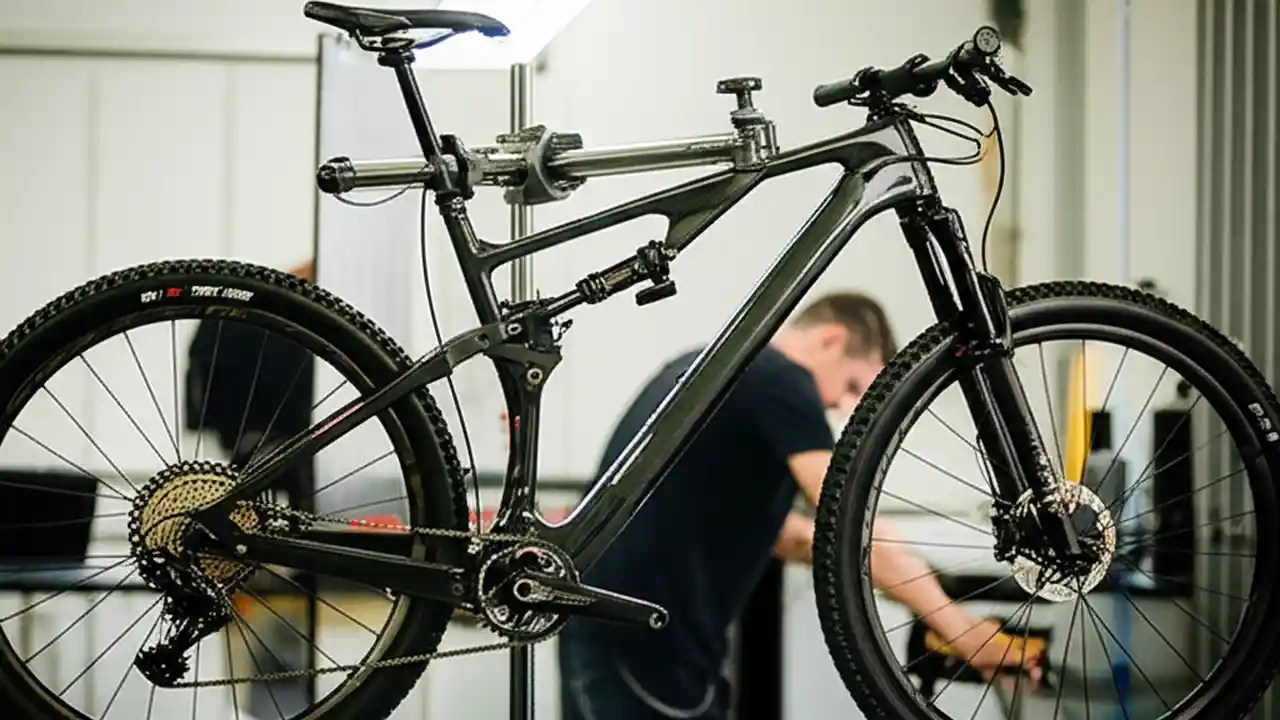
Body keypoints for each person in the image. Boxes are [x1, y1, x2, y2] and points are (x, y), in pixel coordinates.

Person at [557, 291, 1042, 720]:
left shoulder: (710, 363)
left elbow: (767, 527)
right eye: (853, 386)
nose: (838, 405)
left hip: (608, 633)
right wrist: (962, 630)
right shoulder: (778, 378)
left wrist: (897, 579)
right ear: (831, 340)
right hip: (651, 652)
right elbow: (852, 522)